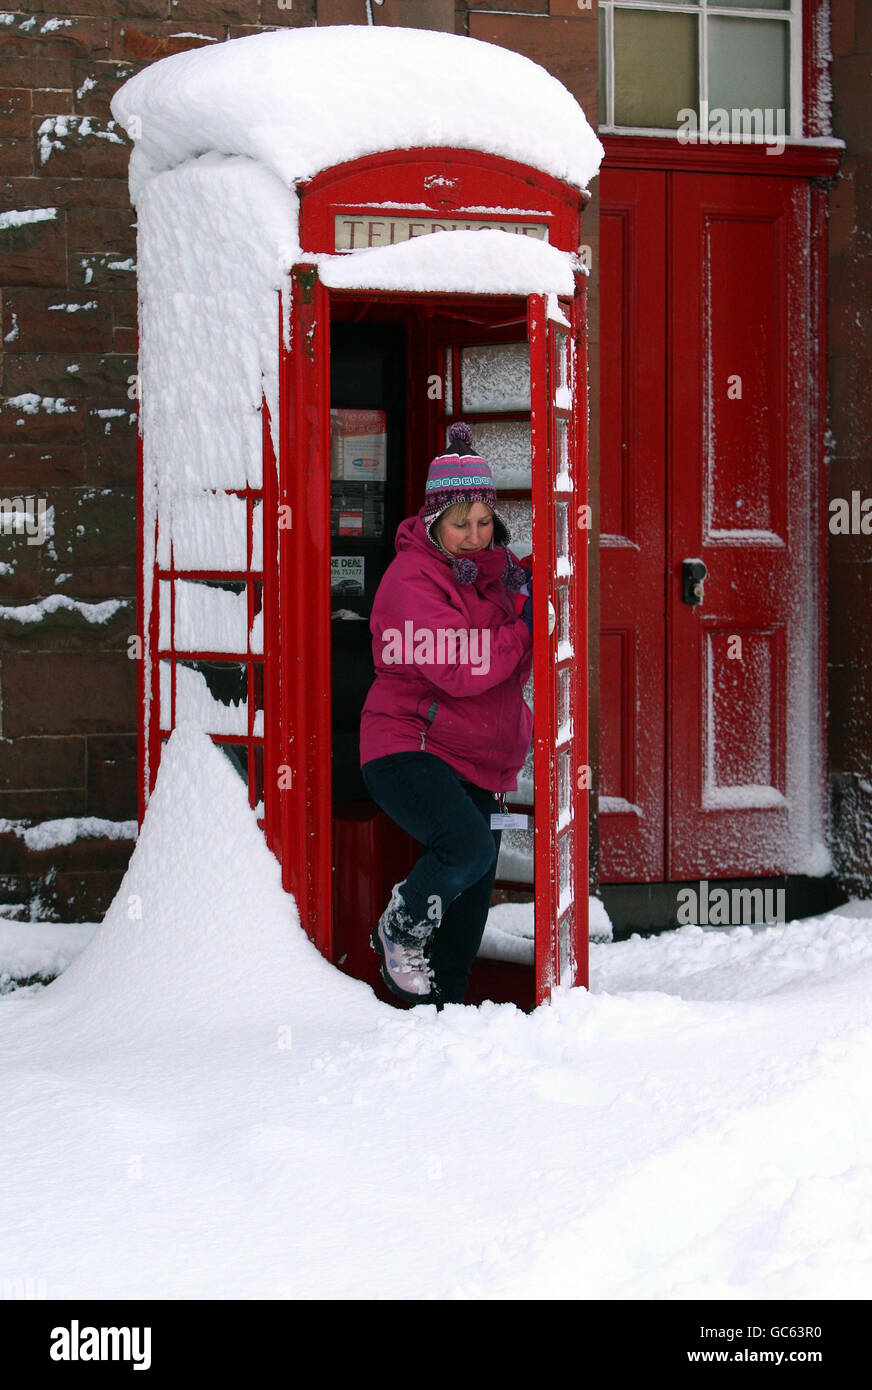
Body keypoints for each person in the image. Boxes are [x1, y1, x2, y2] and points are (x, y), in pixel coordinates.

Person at [360, 421, 534, 1008]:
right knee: (467, 849)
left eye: (484, 521)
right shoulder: (411, 579)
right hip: (407, 745)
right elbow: (463, 663)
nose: (473, 535)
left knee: (465, 919)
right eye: (459, 522)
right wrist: (527, 630)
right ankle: (400, 928)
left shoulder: (496, 573)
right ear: (433, 521)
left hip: (475, 759)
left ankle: (443, 1024)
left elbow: (526, 595)